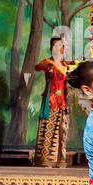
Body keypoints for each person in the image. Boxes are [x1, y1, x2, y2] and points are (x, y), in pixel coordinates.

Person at [33, 37, 74, 168]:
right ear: (52, 48)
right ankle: (45, 159)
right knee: (48, 129)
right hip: (51, 100)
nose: (58, 48)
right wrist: (49, 66)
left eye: (60, 46)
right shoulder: (49, 62)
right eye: (55, 46)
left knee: (61, 130)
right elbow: (37, 67)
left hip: (62, 101)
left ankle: (59, 159)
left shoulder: (66, 65)